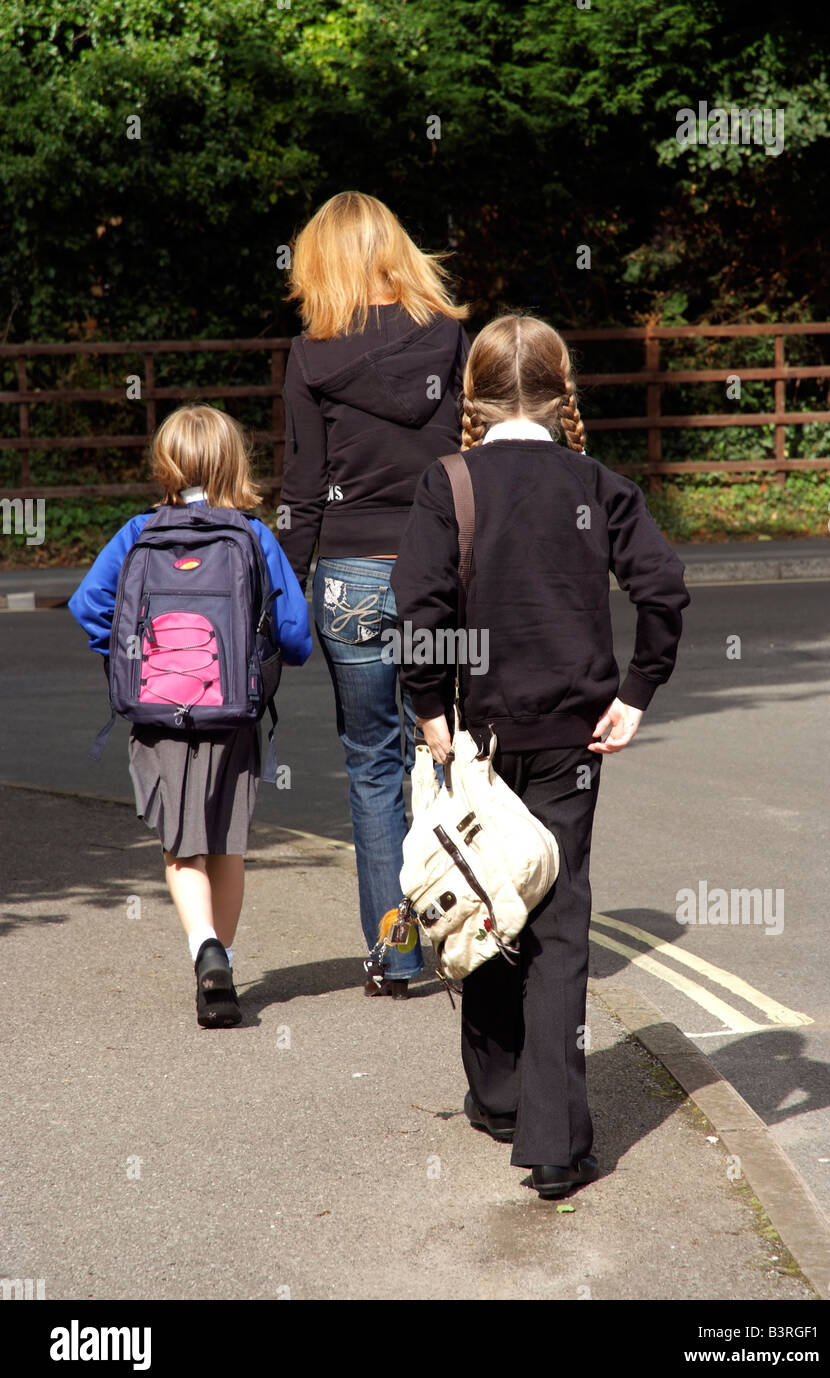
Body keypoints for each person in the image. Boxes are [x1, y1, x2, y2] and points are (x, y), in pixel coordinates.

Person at [391, 315, 691, 1197]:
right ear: (565, 392)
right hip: (572, 740)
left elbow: (421, 612)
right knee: (556, 924)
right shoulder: (597, 484)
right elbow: (663, 590)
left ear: (471, 398)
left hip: (475, 738)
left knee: (483, 892)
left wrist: (429, 711)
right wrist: (635, 692)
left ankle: (497, 1097)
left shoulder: (447, 483)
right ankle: (555, 1143)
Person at [279, 190, 470, 997]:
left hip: (350, 577)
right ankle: (476, 934)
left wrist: (281, 588)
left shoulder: (310, 355)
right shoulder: (452, 336)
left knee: (371, 766)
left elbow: (301, 487)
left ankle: (395, 954)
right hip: (442, 569)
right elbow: (475, 453)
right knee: (457, 750)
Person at [68, 405, 312, 1027]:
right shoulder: (253, 535)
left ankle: (202, 947)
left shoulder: (137, 533)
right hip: (232, 712)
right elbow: (295, 634)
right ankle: (222, 960)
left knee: (181, 844)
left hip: (158, 716)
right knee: (227, 841)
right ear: (236, 463)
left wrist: (136, 658)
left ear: (166, 463)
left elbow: (90, 605)